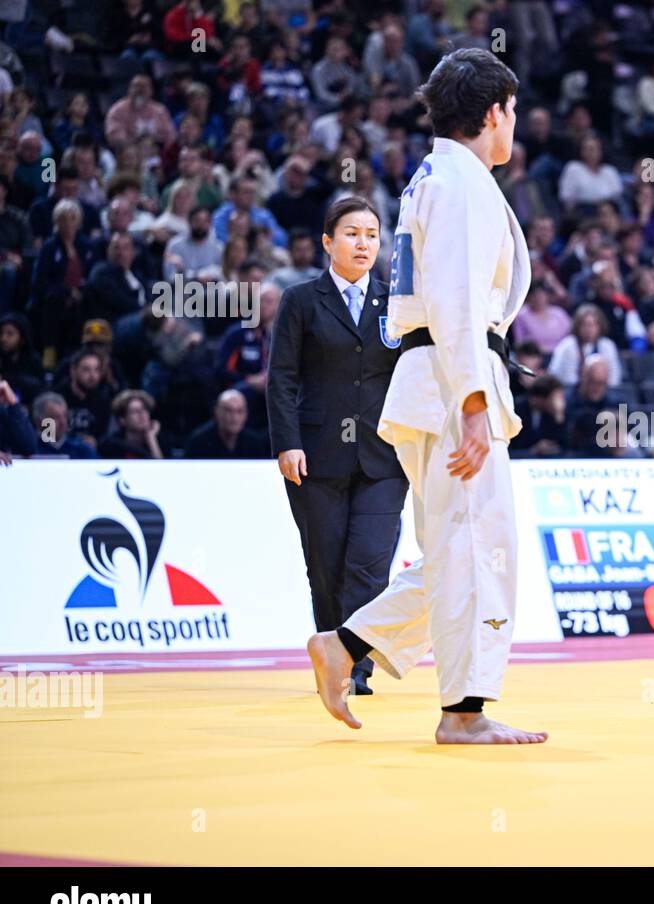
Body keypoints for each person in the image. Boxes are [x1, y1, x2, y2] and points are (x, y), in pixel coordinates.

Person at [305, 49, 547, 745]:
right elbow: (457, 299)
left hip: (432, 379)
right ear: (495, 112)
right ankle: (463, 711)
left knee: (456, 548)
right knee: (477, 549)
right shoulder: (463, 183)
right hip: (449, 382)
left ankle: (345, 645)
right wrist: (472, 402)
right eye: (513, 112)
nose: (515, 126)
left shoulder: (435, 177)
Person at [268, 197, 405, 697]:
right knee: (325, 566)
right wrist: (287, 443)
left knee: (370, 563)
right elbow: (281, 378)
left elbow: (415, 373)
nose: (363, 243)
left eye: (371, 234)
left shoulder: (397, 303)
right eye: (352, 233)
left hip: (384, 457)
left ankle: (355, 665)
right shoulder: (301, 301)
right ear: (328, 242)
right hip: (316, 454)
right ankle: (334, 660)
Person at [184, 388, 270, 459]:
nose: (234, 417)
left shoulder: (255, 444)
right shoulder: (198, 442)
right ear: (217, 412)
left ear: (246, 414)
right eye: (228, 411)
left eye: (239, 411)